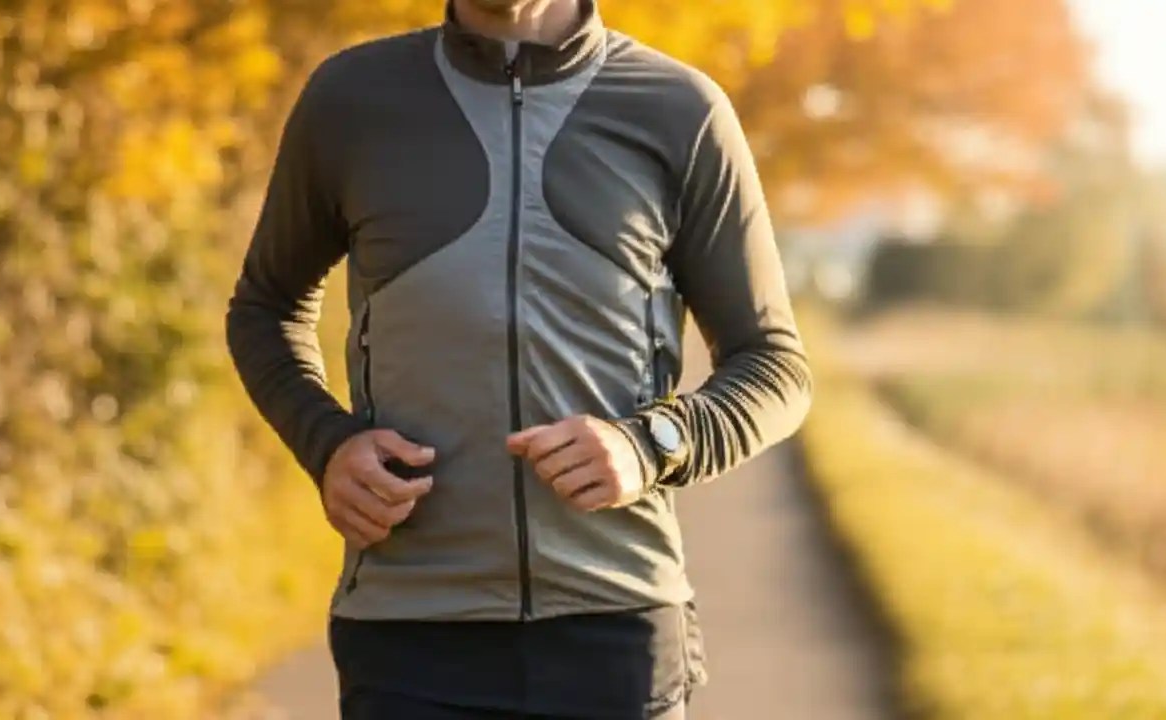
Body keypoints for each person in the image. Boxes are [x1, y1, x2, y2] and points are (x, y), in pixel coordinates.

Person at [225, 0, 812, 717]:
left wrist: (651, 443)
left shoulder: (678, 110)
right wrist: (327, 443)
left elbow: (773, 366)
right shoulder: (352, 101)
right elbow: (265, 308)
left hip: (615, 628)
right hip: (409, 636)